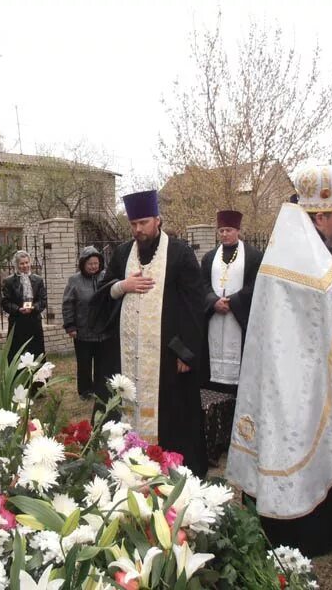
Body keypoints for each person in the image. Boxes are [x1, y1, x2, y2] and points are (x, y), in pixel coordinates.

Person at [228, 164, 332, 557]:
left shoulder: (290, 250)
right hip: (304, 374)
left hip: (292, 372)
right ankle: (316, 530)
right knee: (307, 435)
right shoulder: (300, 256)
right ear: (320, 216)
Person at [90, 190, 207, 477]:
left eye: (143, 222)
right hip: (128, 354)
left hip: (168, 356)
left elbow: (194, 305)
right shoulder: (121, 254)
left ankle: (172, 470)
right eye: (133, 224)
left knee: (172, 416)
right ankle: (127, 464)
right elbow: (103, 294)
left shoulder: (180, 254)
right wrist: (123, 286)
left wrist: (186, 353)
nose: (138, 230)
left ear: (157, 219)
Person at [200, 209, 263, 393]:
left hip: (239, 319)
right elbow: (202, 284)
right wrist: (213, 301)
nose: (225, 234)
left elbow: (256, 285)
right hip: (214, 318)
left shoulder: (254, 256)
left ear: (237, 230)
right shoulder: (209, 257)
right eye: (221, 231)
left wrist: (233, 302)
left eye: (228, 230)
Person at [63, 246, 109, 400]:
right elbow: (68, 304)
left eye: (96, 263)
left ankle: (100, 388)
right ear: (83, 264)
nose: (93, 266)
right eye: (90, 264)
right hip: (83, 330)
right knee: (84, 363)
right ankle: (85, 390)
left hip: (102, 329)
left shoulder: (105, 277)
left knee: (102, 362)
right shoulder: (74, 280)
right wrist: (70, 325)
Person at [1, 250, 47, 361]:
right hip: (17, 323)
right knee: (17, 354)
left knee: (36, 352)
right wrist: (18, 309)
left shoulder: (38, 280)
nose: (25, 266)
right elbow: (5, 302)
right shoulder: (9, 282)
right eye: (22, 263)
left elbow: (43, 300)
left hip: (34, 321)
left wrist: (34, 308)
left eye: (27, 262)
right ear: (16, 265)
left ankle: (38, 377)